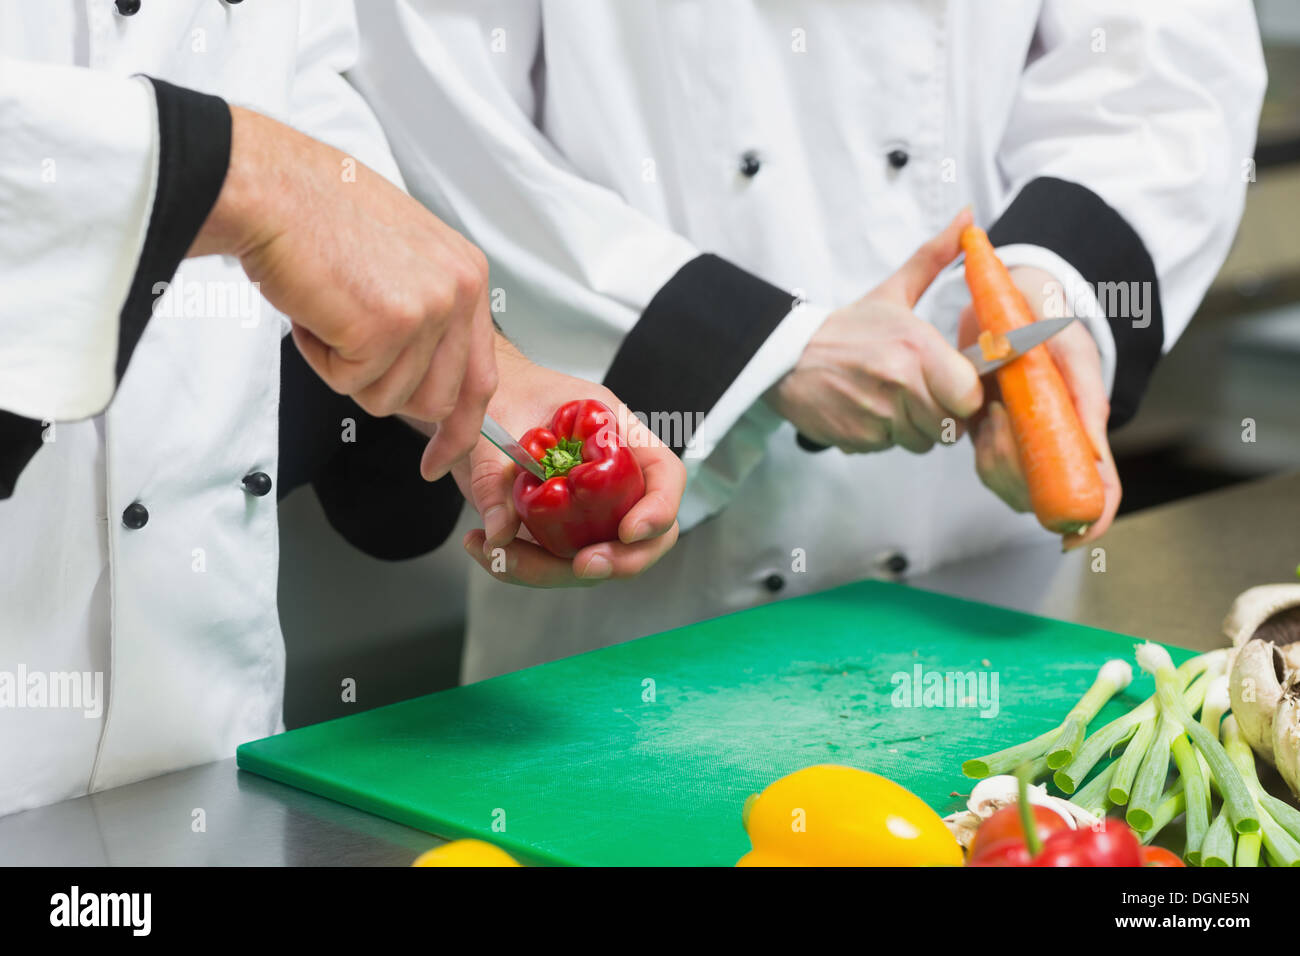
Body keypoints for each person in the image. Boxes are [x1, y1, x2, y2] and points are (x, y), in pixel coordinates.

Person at [349, 0, 1266, 681]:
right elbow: (424, 103)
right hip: (636, 620)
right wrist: (755, 349)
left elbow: (1167, 63)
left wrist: (1050, 286)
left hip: (984, 575)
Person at [0, 0, 682, 818]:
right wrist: (239, 171)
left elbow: (296, 79)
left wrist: (485, 373)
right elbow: (269, 162)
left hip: (212, 740)